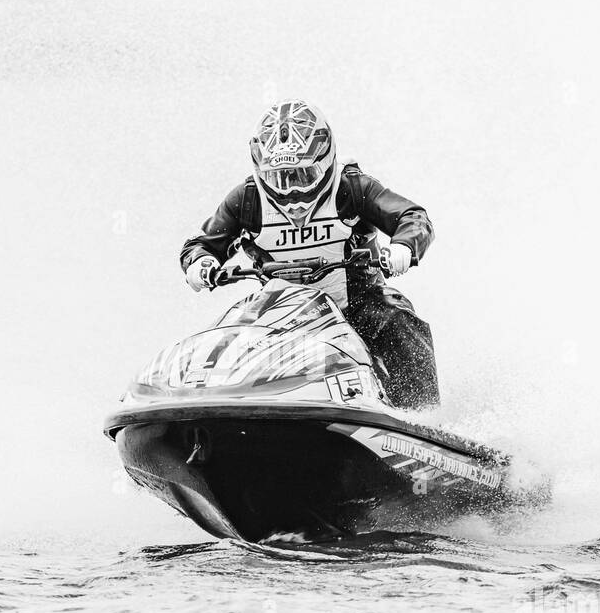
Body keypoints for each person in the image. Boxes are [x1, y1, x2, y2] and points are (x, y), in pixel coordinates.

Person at [178, 100, 440, 408]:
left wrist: (404, 246)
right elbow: (204, 244)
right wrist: (201, 263)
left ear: (325, 160)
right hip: (276, 316)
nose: (291, 192)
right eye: (279, 177)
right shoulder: (247, 199)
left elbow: (411, 216)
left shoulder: (352, 187)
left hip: (357, 307)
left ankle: (422, 422)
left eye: (303, 176)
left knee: (398, 321)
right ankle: (200, 398)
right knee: (226, 335)